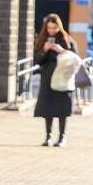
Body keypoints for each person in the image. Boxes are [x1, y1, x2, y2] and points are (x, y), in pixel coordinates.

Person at [33, 14, 78, 147]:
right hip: (47, 78)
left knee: (62, 109)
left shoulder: (67, 40)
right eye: (49, 28)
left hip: (63, 79)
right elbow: (37, 60)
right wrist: (44, 50)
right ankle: (48, 136)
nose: (52, 31)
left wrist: (62, 51)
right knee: (48, 109)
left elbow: (75, 59)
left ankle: (62, 137)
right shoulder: (42, 40)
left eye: (54, 28)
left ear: (59, 27)